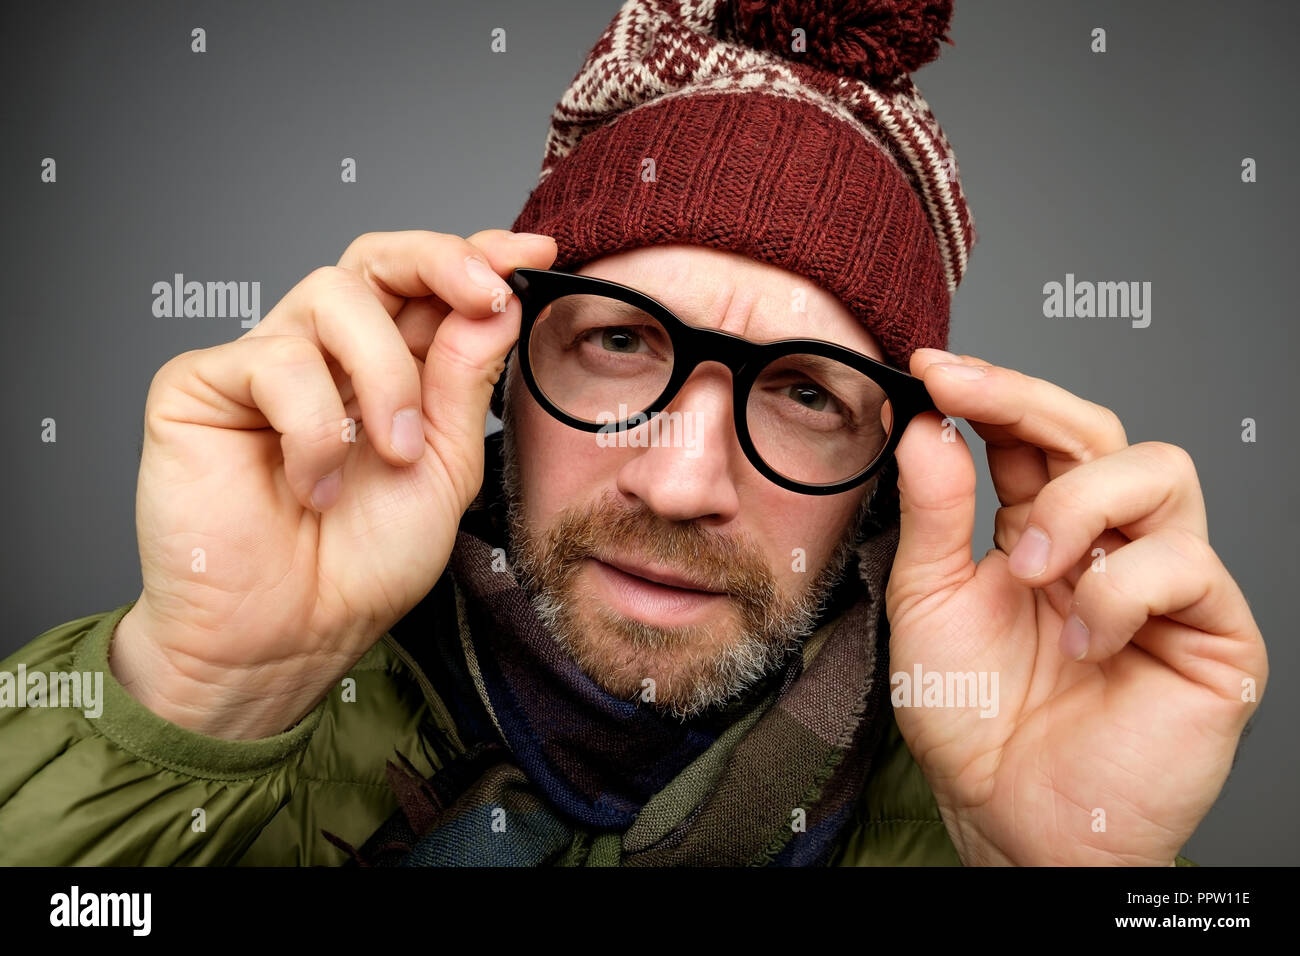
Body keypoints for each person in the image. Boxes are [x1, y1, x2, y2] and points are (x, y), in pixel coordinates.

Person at [0, 0, 1264, 866]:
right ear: (495, 362)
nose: (680, 479)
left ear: (894, 474)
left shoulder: (986, 794)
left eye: (808, 392)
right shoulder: (213, 705)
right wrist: (204, 698)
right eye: (618, 341)